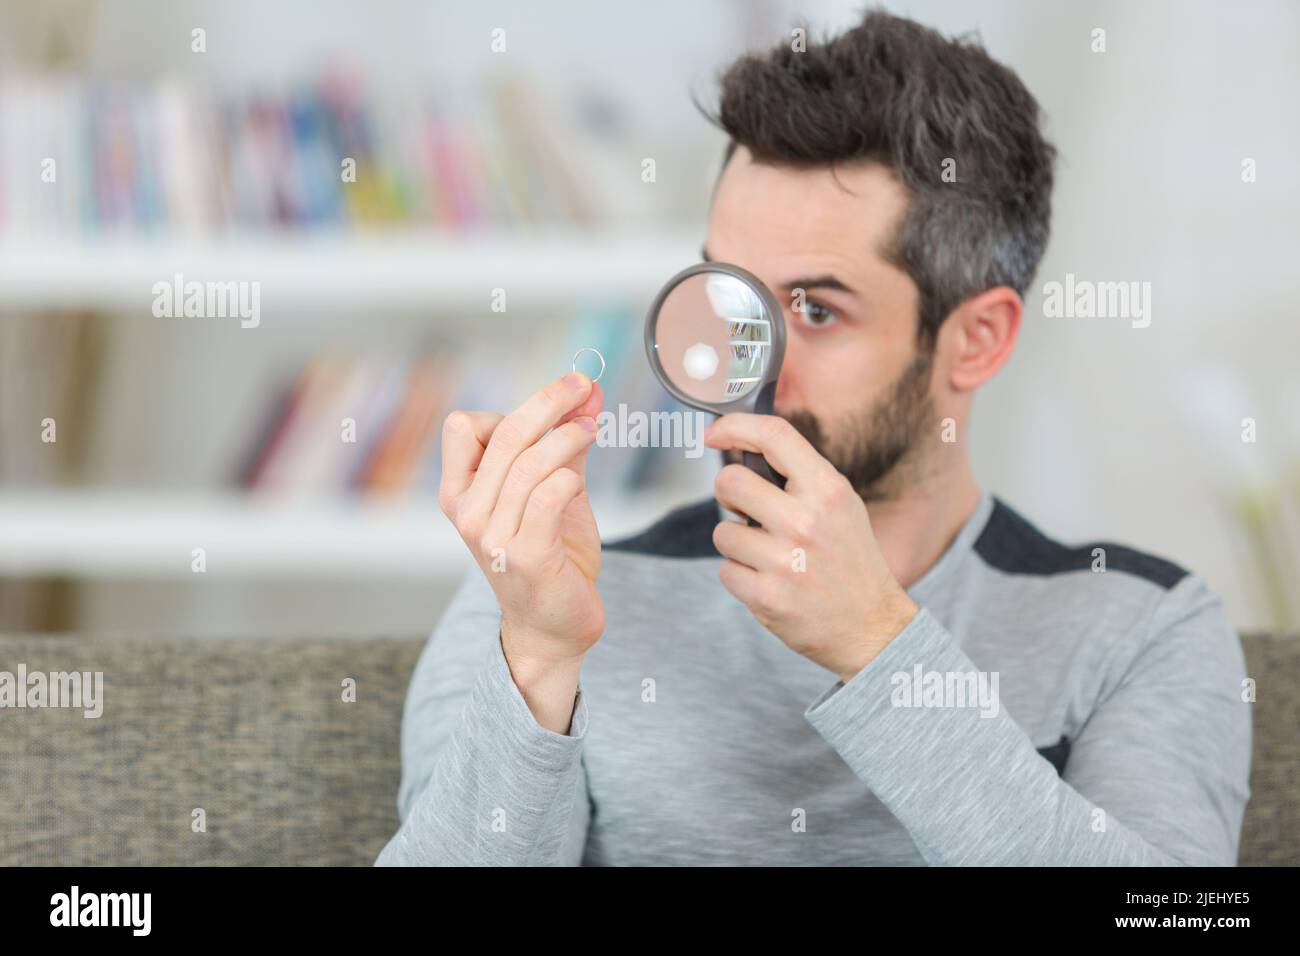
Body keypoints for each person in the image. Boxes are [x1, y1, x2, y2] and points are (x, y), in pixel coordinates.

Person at [376, 10, 1250, 866]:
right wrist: (538, 657)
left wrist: (878, 645)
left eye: (817, 308)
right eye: (730, 294)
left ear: (976, 338)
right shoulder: (545, 597)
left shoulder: (1142, 625)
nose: (746, 366)